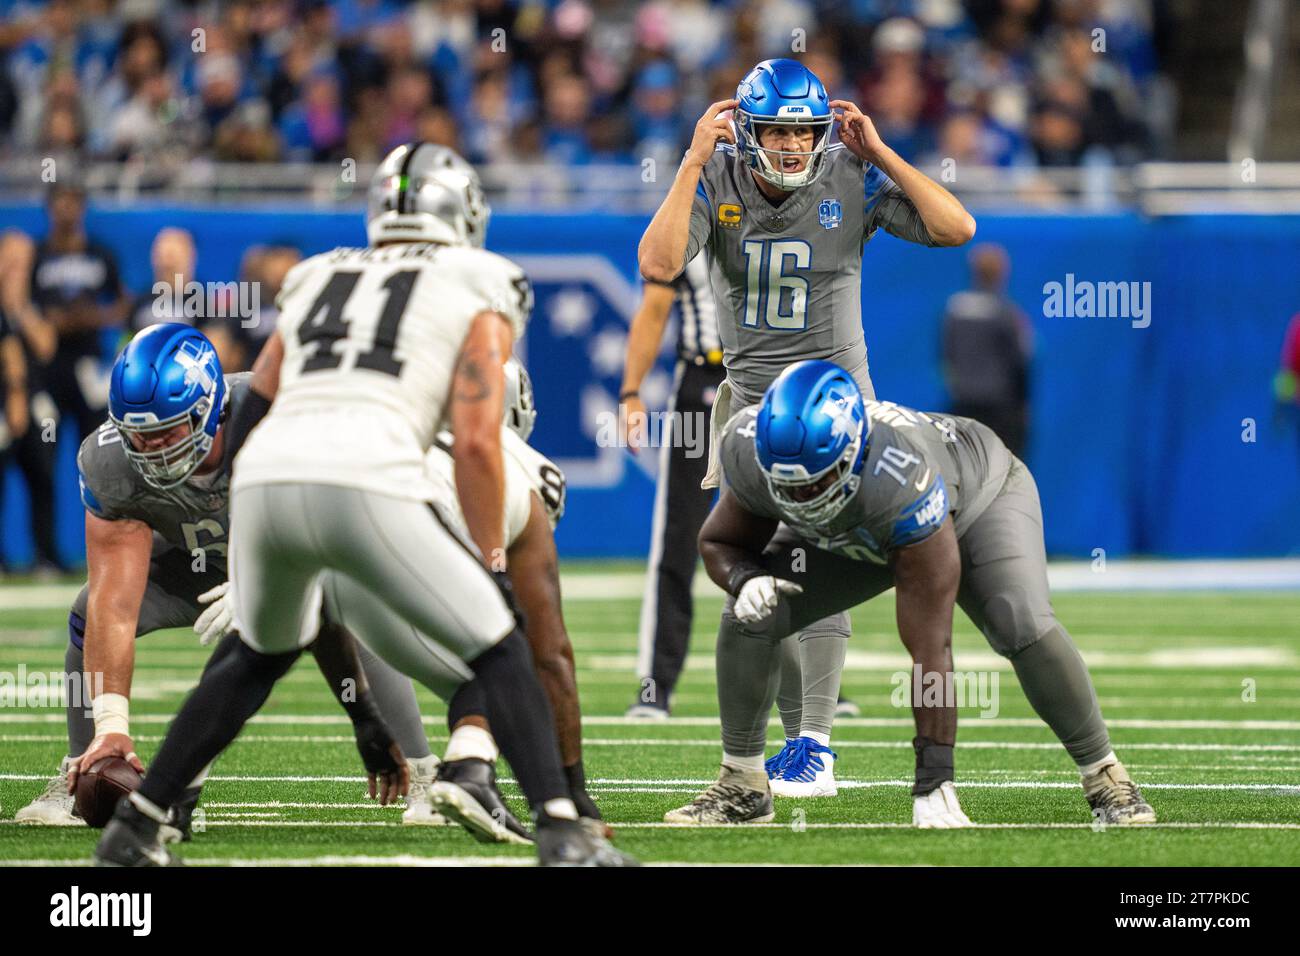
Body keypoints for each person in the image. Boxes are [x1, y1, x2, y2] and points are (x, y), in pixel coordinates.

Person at [93, 142, 633, 867]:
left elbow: (260, 400)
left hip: (275, 474)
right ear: (463, 213)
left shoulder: (322, 272)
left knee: (254, 658)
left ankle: (139, 826)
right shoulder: (481, 278)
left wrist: (249, 519)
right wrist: (490, 559)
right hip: (368, 474)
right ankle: (562, 828)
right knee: (500, 643)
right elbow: (475, 440)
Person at [637, 57, 976, 796]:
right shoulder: (718, 179)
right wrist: (693, 161)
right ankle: (800, 742)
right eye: (779, 132)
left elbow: (957, 228)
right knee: (756, 585)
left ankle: (814, 745)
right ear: (746, 132)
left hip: (838, 407)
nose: (793, 146)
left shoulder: (848, 177)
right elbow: (658, 262)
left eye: (804, 132)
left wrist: (880, 151)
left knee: (807, 558)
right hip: (754, 409)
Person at [665, 360, 1155, 829]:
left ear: (852, 453)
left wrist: (934, 778)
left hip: (979, 498)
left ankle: (1105, 773)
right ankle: (743, 783)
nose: (802, 500)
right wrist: (743, 578)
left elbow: (930, 647)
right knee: (750, 613)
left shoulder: (899, 480)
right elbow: (720, 541)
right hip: (861, 523)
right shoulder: (749, 447)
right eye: (787, 488)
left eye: (817, 481)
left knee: (1016, 619)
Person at [15, 323, 446, 832]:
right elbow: (115, 603)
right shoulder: (110, 460)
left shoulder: (277, 419)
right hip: (190, 565)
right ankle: (81, 767)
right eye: (138, 435)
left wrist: (261, 581)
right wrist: (113, 725)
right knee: (89, 613)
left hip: (298, 554)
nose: (151, 450)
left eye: (167, 432)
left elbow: (333, 534)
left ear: (211, 409)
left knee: (352, 605)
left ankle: (423, 774)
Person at [619, 250, 725, 719]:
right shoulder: (690, 224)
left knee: (790, 533)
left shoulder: (790, 210)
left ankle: (817, 679)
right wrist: (631, 390)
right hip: (702, 379)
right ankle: (657, 682)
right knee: (679, 536)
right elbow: (655, 306)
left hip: (768, 378)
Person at [30, 183, 127, 443]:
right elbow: (23, 304)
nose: (66, 210)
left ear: (83, 209)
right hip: (47, 367)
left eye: (73, 203)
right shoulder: (37, 255)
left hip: (89, 363)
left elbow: (123, 306)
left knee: (96, 443)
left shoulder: (101, 255)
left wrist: (91, 317)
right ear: (48, 209)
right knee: (44, 445)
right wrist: (46, 321)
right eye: (60, 203)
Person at [0, 230, 60, 572]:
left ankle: (45, 555)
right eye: (10, 260)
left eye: (22, 262)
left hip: (36, 402)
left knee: (42, 477)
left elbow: (45, 345)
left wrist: (19, 308)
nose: (15, 269)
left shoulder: (36, 300)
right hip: (5, 401)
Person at [940, 243, 1032, 457]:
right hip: (1000, 409)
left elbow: (947, 357)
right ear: (1002, 274)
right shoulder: (1007, 314)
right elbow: (1020, 363)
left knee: (962, 466)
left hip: (961, 405)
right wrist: (1023, 407)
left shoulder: (954, 310)